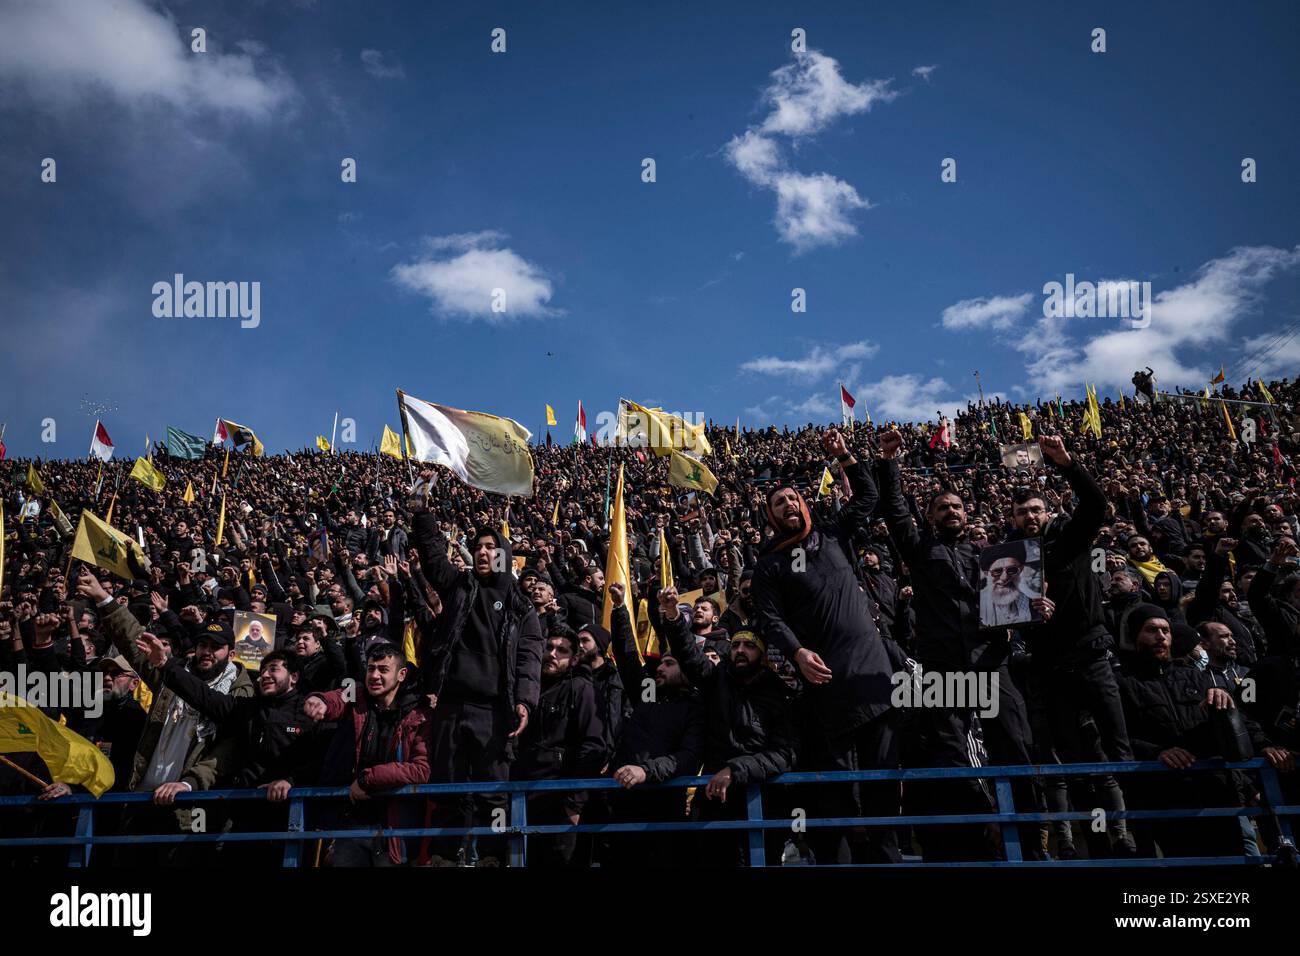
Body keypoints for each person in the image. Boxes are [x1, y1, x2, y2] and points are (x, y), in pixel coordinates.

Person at [752, 427, 900, 864]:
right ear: (771, 518)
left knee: (883, 787)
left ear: (805, 504)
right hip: (825, 688)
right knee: (837, 794)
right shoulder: (770, 565)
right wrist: (797, 652)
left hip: (874, 679)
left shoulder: (834, 533)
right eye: (779, 503)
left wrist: (844, 457)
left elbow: (868, 498)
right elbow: (769, 618)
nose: (789, 505)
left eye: (793, 498)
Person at [409, 470, 544, 866]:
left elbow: (529, 658)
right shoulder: (460, 586)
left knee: (493, 793)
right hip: (450, 706)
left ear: (502, 553)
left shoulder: (521, 605)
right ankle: (445, 856)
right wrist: (420, 504)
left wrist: (524, 702)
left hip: (493, 711)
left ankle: (491, 856)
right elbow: (433, 556)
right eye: (477, 546)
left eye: (490, 546)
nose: (482, 552)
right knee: (448, 786)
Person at [79, 568, 254, 864]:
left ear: (232, 654)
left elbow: (227, 749)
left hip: (190, 805)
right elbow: (135, 643)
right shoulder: (173, 674)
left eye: (216, 648)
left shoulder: (241, 692)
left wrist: (189, 783)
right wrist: (104, 599)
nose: (207, 652)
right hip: (142, 797)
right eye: (202, 645)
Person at [662, 586, 796, 866]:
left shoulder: (777, 693)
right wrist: (673, 615)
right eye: (735, 645)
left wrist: (735, 770)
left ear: (762, 655)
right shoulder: (717, 679)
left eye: (748, 646)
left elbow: (784, 753)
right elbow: (689, 656)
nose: (740, 651)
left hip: (762, 800)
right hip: (715, 800)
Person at [303, 644, 434, 866]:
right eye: (371, 668)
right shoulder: (358, 694)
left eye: (383, 670)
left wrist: (367, 779)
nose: (374, 675)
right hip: (351, 823)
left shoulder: (420, 714)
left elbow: (421, 770)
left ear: (401, 674)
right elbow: (337, 698)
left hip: (395, 827)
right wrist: (320, 701)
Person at [511, 628, 605, 867]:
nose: (552, 654)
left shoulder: (583, 689)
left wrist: (574, 804)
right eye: (549, 647)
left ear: (574, 659)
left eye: (561, 650)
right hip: (523, 800)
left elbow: (593, 746)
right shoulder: (527, 690)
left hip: (561, 806)